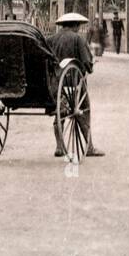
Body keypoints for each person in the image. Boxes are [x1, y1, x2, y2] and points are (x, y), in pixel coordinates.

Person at [48, 12, 105, 158]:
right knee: (84, 109)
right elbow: (87, 62)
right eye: (78, 26)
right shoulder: (77, 39)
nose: (79, 28)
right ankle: (90, 147)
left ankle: (59, 146)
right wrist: (90, 67)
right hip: (73, 82)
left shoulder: (51, 39)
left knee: (59, 110)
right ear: (75, 25)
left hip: (55, 82)